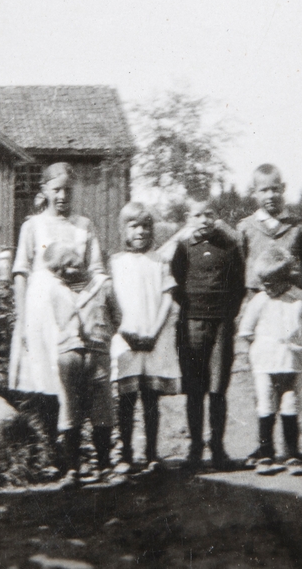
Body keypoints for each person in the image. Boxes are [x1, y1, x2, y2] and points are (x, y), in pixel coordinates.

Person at [9, 162, 106, 449]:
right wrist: (22, 319)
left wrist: (91, 307)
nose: (62, 196)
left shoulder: (84, 225)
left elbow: (97, 269)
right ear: (44, 190)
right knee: (45, 380)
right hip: (40, 313)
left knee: (74, 379)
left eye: (68, 190)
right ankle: (52, 451)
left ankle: (74, 450)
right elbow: (20, 274)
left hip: (75, 313)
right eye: (56, 190)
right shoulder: (32, 226)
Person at [169, 197, 245, 470]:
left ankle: (218, 448)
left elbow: (239, 285)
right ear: (188, 218)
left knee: (217, 389)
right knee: (194, 390)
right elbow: (175, 282)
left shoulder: (230, 246)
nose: (203, 220)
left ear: (216, 216)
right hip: (191, 324)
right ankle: (194, 450)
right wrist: (193, 310)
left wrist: (226, 314)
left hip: (221, 324)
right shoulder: (183, 248)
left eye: (209, 214)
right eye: (198, 215)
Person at [109, 202, 180, 474]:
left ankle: (151, 454)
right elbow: (112, 301)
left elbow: (167, 298)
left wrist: (154, 331)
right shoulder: (116, 263)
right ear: (123, 229)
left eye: (146, 226)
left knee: (151, 398)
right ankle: (125, 454)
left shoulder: (160, 261)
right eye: (134, 225)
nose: (140, 231)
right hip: (126, 338)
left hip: (153, 338)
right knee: (126, 400)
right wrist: (123, 331)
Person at [237, 248, 302, 476]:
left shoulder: (300, 299)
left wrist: (300, 341)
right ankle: (266, 454)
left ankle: (292, 454)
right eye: (263, 282)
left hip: (291, 361)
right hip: (265, 361)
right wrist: (262, 346)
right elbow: (246, 330)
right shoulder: (259, 301)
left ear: (286, 278)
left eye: (272, 282)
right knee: (266, 404)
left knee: (290, 405)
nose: (267, 287)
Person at [45, 241, 120, 488]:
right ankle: (72, 469)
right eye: (57, 270)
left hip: (98, 352)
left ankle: (104, 465)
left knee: (102, 407)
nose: (65, 272)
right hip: (69, 355)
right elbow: (59, 321)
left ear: (78, 257)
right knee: (70, 409)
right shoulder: (57, 291)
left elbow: (117, 317)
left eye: (68, 264)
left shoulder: (103, 285)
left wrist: (102, 336)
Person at [237, 164, 302, 294]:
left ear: (283, 188)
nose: (270, 195)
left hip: (291, 297)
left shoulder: (298, 227)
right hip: (257, 296)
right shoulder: (245, 227)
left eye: (275, 189)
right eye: (264, 190)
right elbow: (240, 265)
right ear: (254, 191)